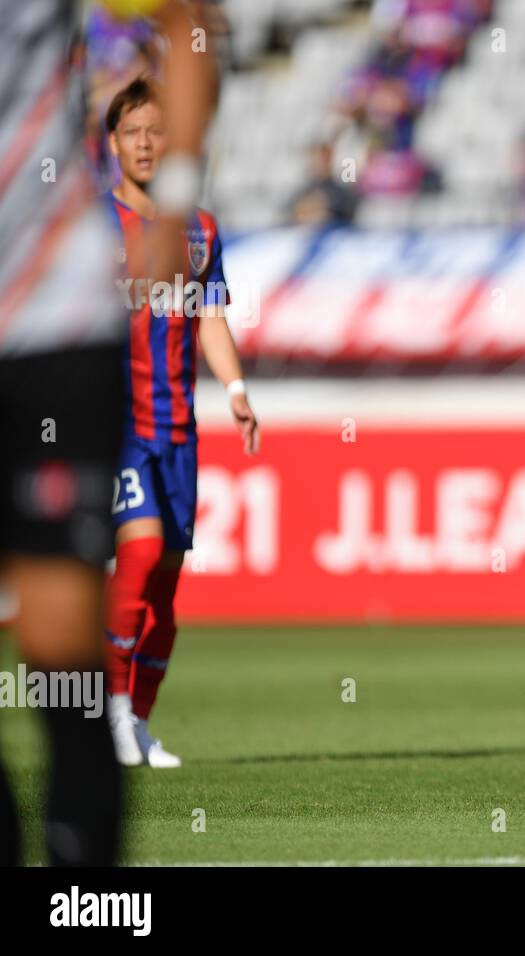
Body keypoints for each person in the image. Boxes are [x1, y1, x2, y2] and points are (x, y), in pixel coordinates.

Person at [0, 0, 216, 864]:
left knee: (59, 656)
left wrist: (175, 208)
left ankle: (86, 897)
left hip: (52, 321)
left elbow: (186, 22)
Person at [101, 75, 258, 768]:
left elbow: (211, 315)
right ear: (112, 143)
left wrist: (236, 387)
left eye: (156, 131)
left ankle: (138, 722)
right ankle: (106, 713)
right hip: (117, 428)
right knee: (135, 555)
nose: (144, 143)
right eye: (131, 131)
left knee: (165, 585)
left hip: (178, 433)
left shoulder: (199, 229)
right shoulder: (93, 226)